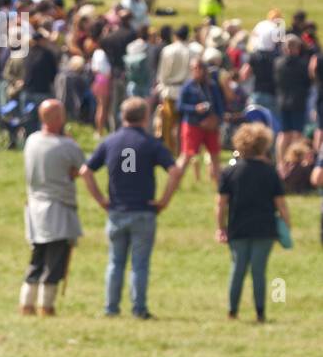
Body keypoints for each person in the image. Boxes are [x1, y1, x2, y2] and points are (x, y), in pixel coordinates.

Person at [79, 95, 184, 320]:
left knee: (115, 262)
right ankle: (139, 308)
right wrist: (164, 200)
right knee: (139, 264)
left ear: (122, 116)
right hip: (144, 210)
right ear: (146, 117)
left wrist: (100, 199)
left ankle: (111, 307)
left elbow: (85, 171)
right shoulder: (151, 144)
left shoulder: (110, 142)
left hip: (117, 209)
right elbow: (175, 171)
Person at [218, 121, 289, 323]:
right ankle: (260, 313)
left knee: (237, 269)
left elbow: (221, 204)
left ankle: (232, 311)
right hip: (264, 229)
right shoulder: (270, 172)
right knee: (259, 271)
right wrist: (286, 225)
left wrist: (220, 227)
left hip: (238, 227)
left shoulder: (229, 172)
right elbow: (281, 204)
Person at [19, 99, 84, 317]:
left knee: (37, 257)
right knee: (55, 260)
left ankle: (26, 302)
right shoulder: (67, 145)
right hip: (58, 209)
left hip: (34, 207)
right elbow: (78, 169)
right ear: (57, 118)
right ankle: (46, 305)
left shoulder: (31, 140)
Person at [177, 57, 225, 186]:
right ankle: (175, 183)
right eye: (195, 68)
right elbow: (180, 106)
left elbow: (220, 106)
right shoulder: (187, 86)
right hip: (193, 125)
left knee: (215, 156)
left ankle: (220, 187)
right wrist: (195, 109)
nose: (198, 71)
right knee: (186, 155)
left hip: (211, 126)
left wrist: (217, 120)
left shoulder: (212, 86)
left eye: (200, 68)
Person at [155, 24, 191, 154]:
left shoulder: (168, 50)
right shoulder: (191, 50)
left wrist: (161, 85)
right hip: (185, 89)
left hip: (170, 89)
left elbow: (162, 72)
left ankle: (170, 149)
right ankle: (181, 149)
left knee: (169, 124)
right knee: (183, 123)